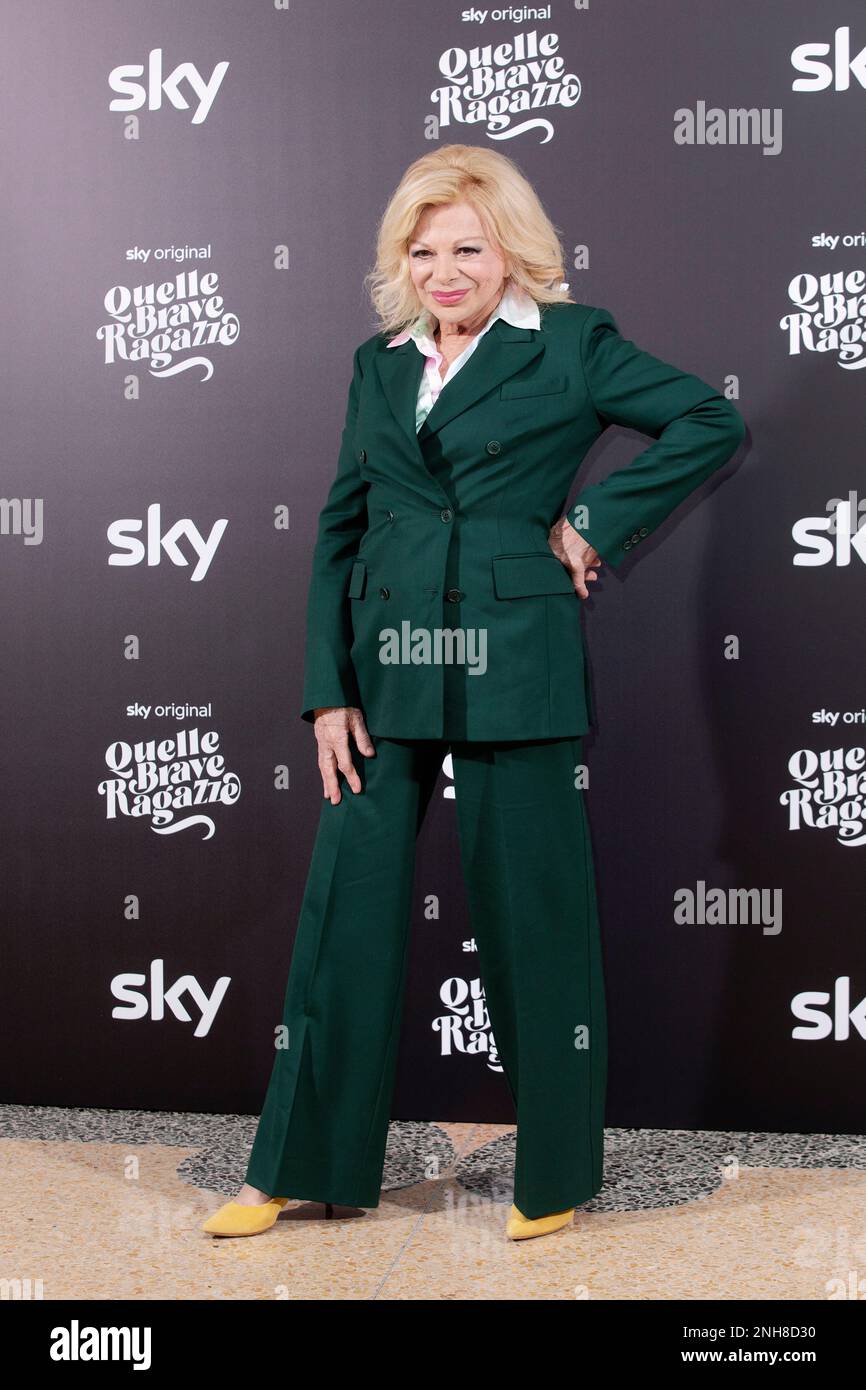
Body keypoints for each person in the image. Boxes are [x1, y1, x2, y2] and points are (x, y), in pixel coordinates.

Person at [202, 144, 746, 1242]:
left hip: (514, 654)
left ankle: (551, 1175)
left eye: (466, 247)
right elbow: (339, 527)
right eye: (423, 249)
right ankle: (300, 1165)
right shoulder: (377, 362)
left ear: (510, 251)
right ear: (401, 258)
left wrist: (592, 520)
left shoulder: (572, 343)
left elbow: (709, 421)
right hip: (385, 655)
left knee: (533, 918)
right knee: (341, 917)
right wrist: (325, 692)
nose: (443, 270)